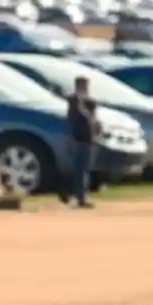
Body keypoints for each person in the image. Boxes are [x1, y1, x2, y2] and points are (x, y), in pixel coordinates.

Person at [61, 75, 98, 209]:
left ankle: (81, 196)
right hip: (77, 138)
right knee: (77, 169)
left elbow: (91, 119)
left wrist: (81, 104)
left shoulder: (90, 102)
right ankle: (76, 196)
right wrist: (68, 138)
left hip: (87, 138)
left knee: (84, 169)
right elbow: (70, 119)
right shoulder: (72, 101)